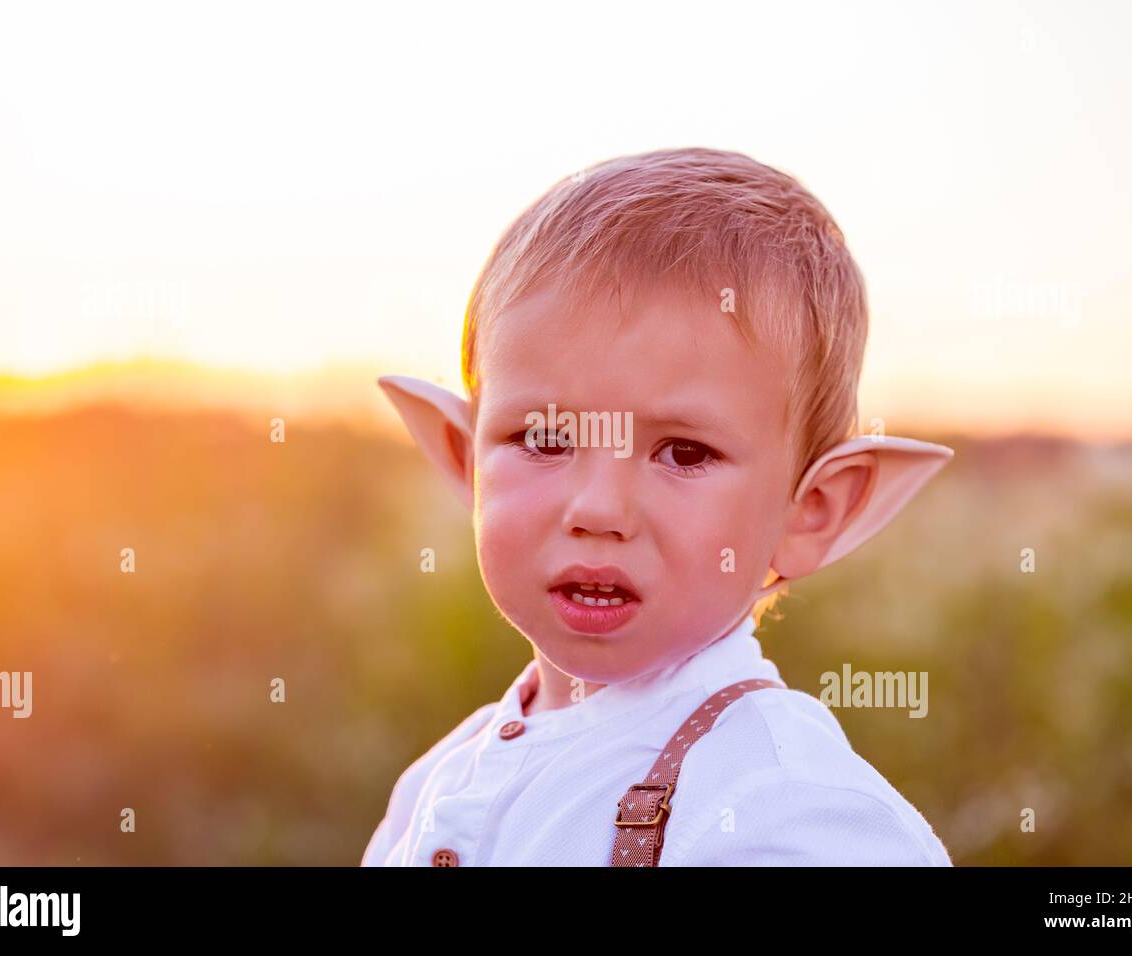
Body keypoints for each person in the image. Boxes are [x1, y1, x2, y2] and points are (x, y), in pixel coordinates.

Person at [363, 147, 954, 866]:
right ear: (466, 458)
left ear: (811, 510)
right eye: (545, 438)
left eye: (683, 453)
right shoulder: (435, 781)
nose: (599, 509)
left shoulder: (786, 811)